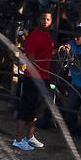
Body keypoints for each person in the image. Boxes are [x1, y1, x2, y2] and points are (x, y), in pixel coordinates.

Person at [13, 10, 55, 150]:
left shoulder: (48, 36)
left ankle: (29, 137)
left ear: (51, 21)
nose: (45, 21)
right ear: (39, 19)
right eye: (43, 18)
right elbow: (31, 58)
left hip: (44, 77)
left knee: (37, 109)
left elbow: (47, 53)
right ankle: (18, 139)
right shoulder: (35, 36)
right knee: (26, 108)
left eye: (47, 19)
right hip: (32, 78)